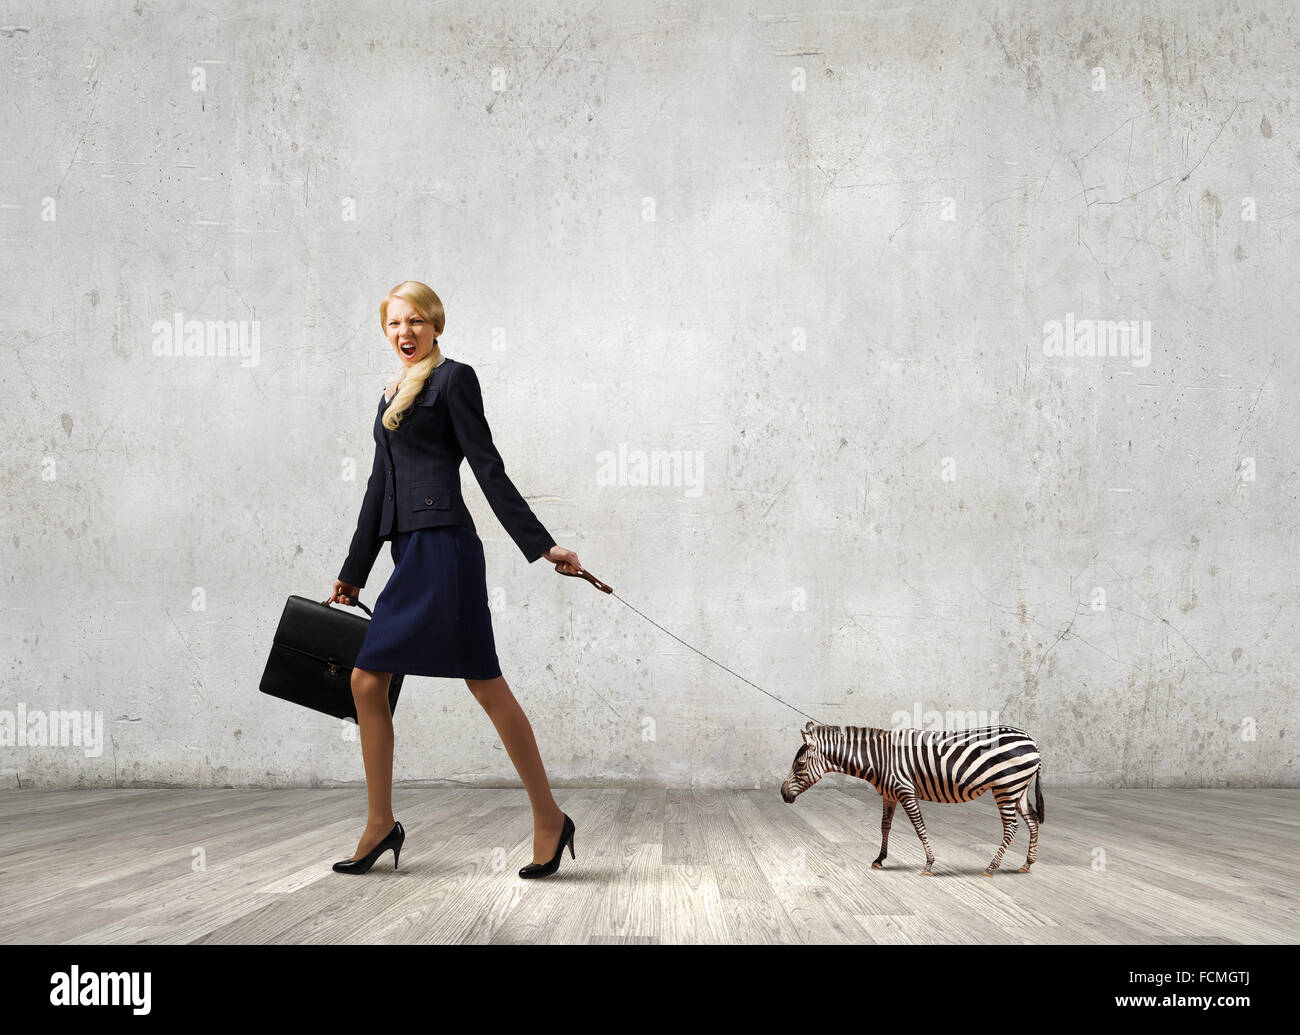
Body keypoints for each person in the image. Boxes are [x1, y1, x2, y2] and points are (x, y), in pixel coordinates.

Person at [328, 279, 578, 879]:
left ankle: (548, 818)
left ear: (435, 325)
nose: (404, 333)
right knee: (367, 681)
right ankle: (380, 823)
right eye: (394, 324)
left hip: (446, 550)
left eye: (416, 322)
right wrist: (353, 572)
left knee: (483, 684)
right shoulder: (389, 392)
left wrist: (542, 545)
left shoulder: (454, 379)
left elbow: (487, 465)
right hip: (406, 552)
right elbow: (377, 487)